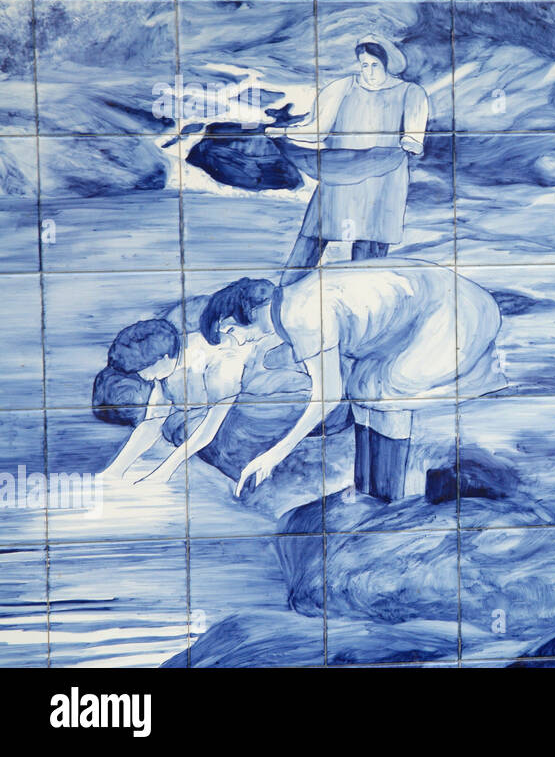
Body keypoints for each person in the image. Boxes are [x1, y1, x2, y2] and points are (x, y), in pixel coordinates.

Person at [201, 261, 507, 501]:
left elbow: (328, 397)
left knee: (388, 392)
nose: (238, 342)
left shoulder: (300, 314)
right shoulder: (291, 303)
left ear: (254, 311)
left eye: (232, 332)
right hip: (432, 310)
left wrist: (274, 454)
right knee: (363, 387)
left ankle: (386, 498)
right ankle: (369, 495)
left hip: (454, 314)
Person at [276, 34, 429, 283]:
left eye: (374, 65)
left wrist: (410, 143)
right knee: (313, 235)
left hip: (383, 181)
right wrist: (282, 133)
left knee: (369, 254)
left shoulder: (411, 93)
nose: (368, 72)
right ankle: (286, 292)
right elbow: (316, 128)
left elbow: (414, 137)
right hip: (340, 175)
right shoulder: (342, 88)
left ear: (387, 63)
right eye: (364, 65)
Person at [99, 319, 254, 483]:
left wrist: (163, 473)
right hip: (208, 412)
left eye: (143, 370)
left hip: (243, 416)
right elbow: (153, 422)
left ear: (164, 358)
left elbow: (212, 423)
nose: (142, 376)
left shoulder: (221, 357)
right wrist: (114, 471)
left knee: (183, 428)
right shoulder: (166, 363)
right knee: (173, 425)